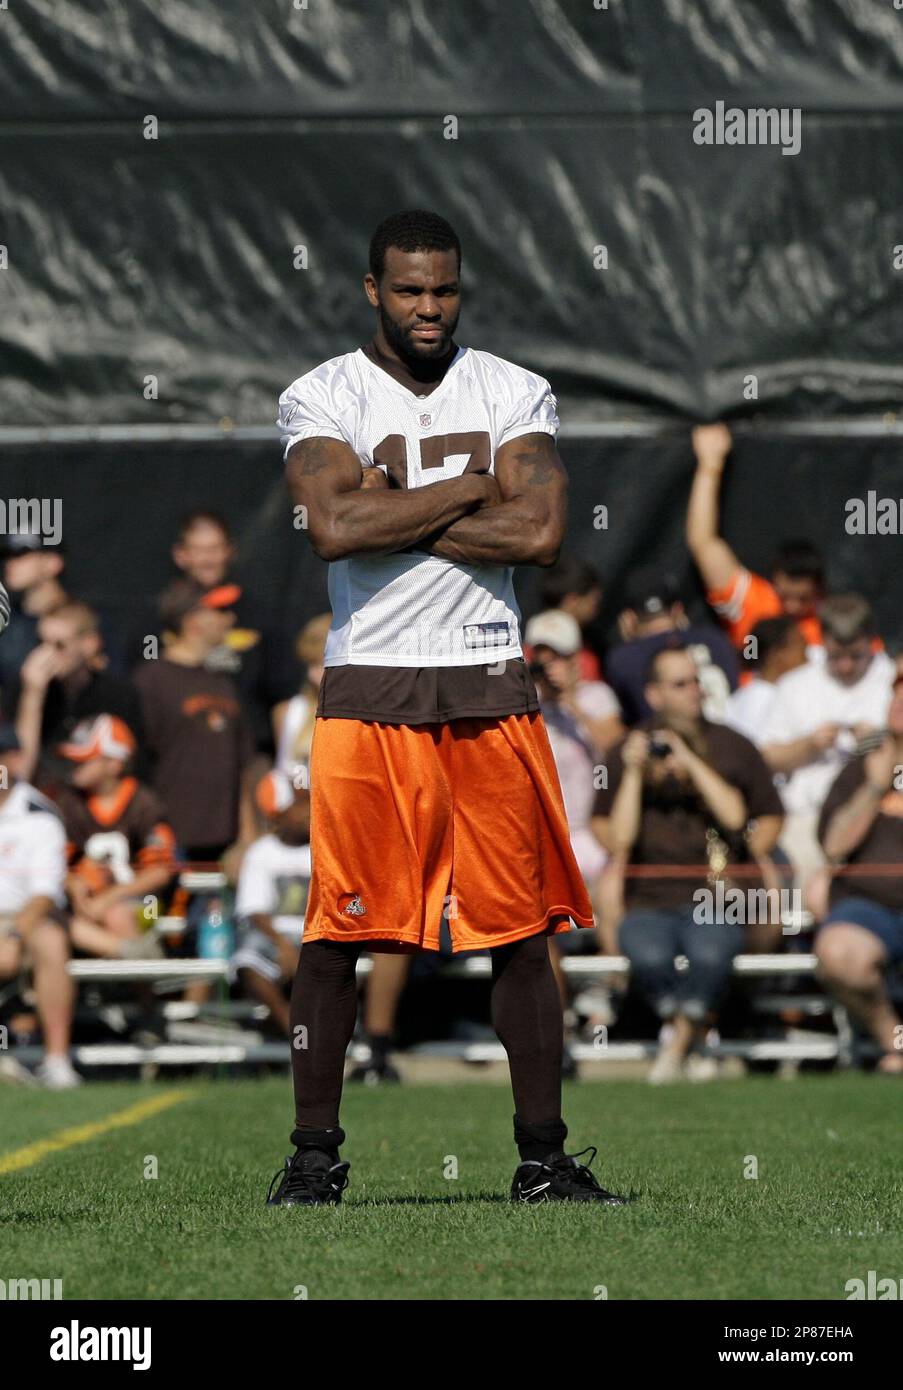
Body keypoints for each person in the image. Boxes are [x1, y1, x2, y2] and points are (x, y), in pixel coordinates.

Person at [268, 208, 625, 1206]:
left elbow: (544, 530)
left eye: (445, 290)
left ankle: (544, 1161)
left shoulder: (513, 387)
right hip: (369, 695)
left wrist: (409, 501)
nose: (430, 308)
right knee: (337, 934)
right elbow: (334, 524)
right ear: (372, 289)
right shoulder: (321, 392)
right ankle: (311, 1161)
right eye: (411, 290)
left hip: (489, 689)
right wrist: (474, 491)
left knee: (521, 934)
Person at [592, 645, 784, 1083]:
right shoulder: (627, 749)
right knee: (648, 952)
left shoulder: (733, 745)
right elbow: (617, 838)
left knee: (711, 950)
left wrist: (690, 758)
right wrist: (637, 773)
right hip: (649, 901)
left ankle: (675, 1044)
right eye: (680, 684)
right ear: (654, 694)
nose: (694, 691)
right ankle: (693, 1038)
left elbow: (739, 817)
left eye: (696, 680)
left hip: (716, 895)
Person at [760, 595, 894, 909]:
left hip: (876, 820)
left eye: (856, 656)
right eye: (836, 656)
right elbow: (766, 758)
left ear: (871, 641)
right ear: (822, 641)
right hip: (806, 819)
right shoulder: (796, 685)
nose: (845, 666)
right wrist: (808, 746)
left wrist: (882, 741)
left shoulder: (892, 683)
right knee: (796, 893)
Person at [815, 656, 903, 1073]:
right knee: (838, 952)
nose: (901, 699)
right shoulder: (864, 760)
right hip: (869, 907)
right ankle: (895, 1042)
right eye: (897, 690)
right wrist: (873, 785)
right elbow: (833, 846)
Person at [132, 577, 258, 863]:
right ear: (193, 620)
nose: (230, 618)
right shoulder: (150, 681)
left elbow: (244, 767)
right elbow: (135, 764)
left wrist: (247, 836)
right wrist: (151, 831)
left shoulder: (224, 683)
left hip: (225, 844)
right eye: (220, 611)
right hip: (169, 839)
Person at [686, 423, 826, 655]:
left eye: (803, 599)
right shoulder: (754, 603)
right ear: (775, 582)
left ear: (819, 593)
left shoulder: (832, 626)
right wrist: (709, 466)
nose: (792, 606)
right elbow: (703, 543)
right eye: (785, 596)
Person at [53, 715, 176, 961]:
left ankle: (142, 994)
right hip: (87, 905)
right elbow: (56, 862)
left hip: (149, 905)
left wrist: (111, 896)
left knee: (117, 914)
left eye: (85, 760)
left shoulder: (143, 804)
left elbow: (161, 871)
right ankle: (127, 966)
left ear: (114, 763)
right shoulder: (67, 803)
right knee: (52, 921)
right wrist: (74, 886)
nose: (75, 766)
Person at [0, 724, 79, 1089]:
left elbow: (45, 893)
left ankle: (56, 1061)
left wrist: (14, 935)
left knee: (50, 942)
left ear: (12, 761)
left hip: (26, 916)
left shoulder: (39, 814)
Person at [12, 600, 145, 784]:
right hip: (44, 799)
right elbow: (19, 770)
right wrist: (33, 694)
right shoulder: (25, 687)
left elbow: (132, 765)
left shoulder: (118, 694)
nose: (47, 654)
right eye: (41, 643)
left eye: (59, 645)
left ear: (90, 644)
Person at [231, 771, 311, 1036]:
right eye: (299, 805)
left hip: (319, 933)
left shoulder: (326, 847)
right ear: (277, 815)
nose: (309, 811)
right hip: (276, 935)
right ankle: (291, 1025)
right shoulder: (262, 852)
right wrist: (283, 946)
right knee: (248, 959)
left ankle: (331, 1031)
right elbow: (254, 910)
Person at [605, 573, 739, 724]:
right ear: (677, 610)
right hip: (733, 733)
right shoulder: (715, 638)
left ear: (629, 619)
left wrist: (629, 641)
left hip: (682, 740)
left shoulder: (623, 659)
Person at [720, 615, 807, 745]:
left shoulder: (745, 696)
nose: (807, 657)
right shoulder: (761, 703)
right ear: (776, 655)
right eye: (801, 648)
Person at [272, 613, 331, 783]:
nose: (312, 675)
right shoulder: (287, 713)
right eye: (311, 664)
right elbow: (282, 776)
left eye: (323, 664)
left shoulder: (367, 718)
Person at [539, 556, 604, 681]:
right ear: (572, 601)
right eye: (593, 602)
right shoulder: (588, 657)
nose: (596, 610)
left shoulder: (594, 644)